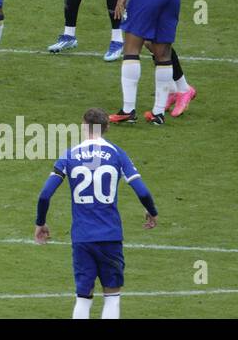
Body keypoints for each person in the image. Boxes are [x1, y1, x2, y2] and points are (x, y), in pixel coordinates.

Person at [34, 107, 159, 318]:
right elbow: (142, 191)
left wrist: (40, 222)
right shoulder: (117, 154)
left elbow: (45, 194)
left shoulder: (69, 155)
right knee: (112, 295)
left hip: (82, 237)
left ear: (83, 126)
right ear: (107, 127)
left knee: (83, 297)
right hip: (110, 235)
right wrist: (151, 211)